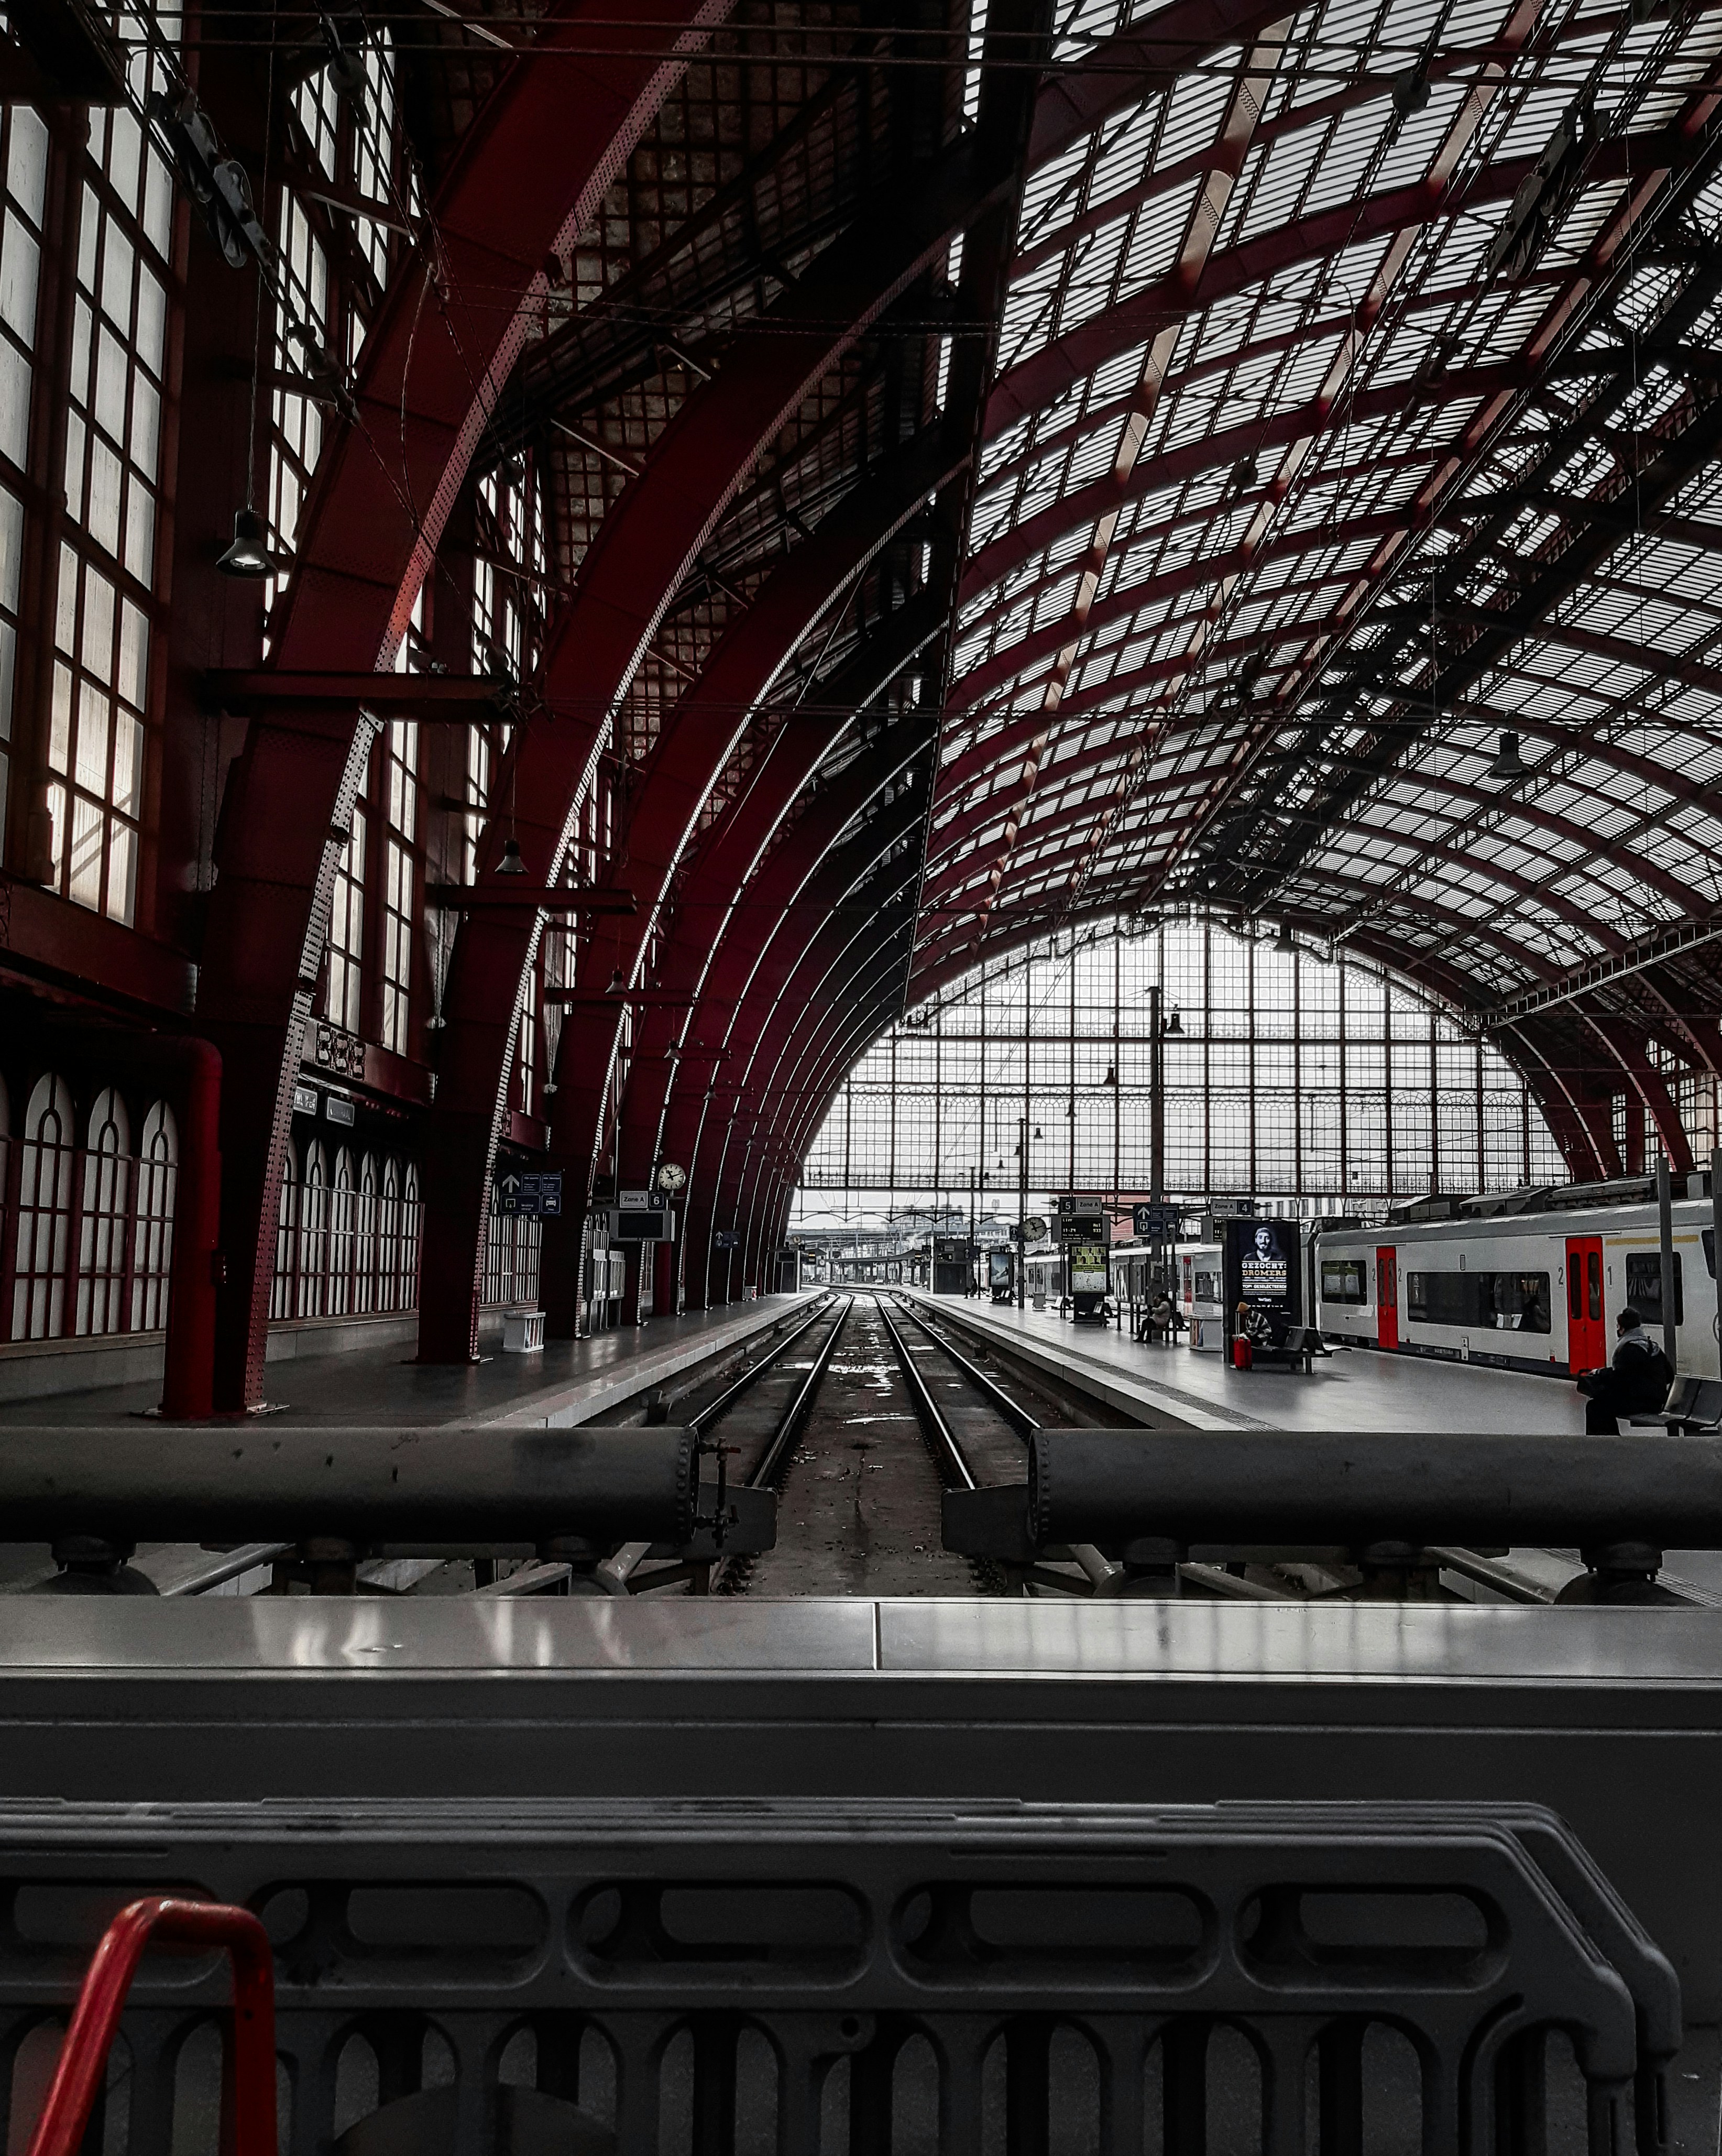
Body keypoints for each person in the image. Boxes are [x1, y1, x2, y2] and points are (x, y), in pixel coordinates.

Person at [1576, 1307, 1674, 1432]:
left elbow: (1621, 1378)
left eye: (1618, 1327)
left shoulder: (1629, 1349)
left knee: (1595, 1406)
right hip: (1657, 1401)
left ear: (1623, 1329)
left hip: (1640, 1403)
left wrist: (1599, 1373)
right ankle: (1610, 1441)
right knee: (1601, 1404)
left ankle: (1606, 1443)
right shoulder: (1653, 1347)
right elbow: (1670, 1376)